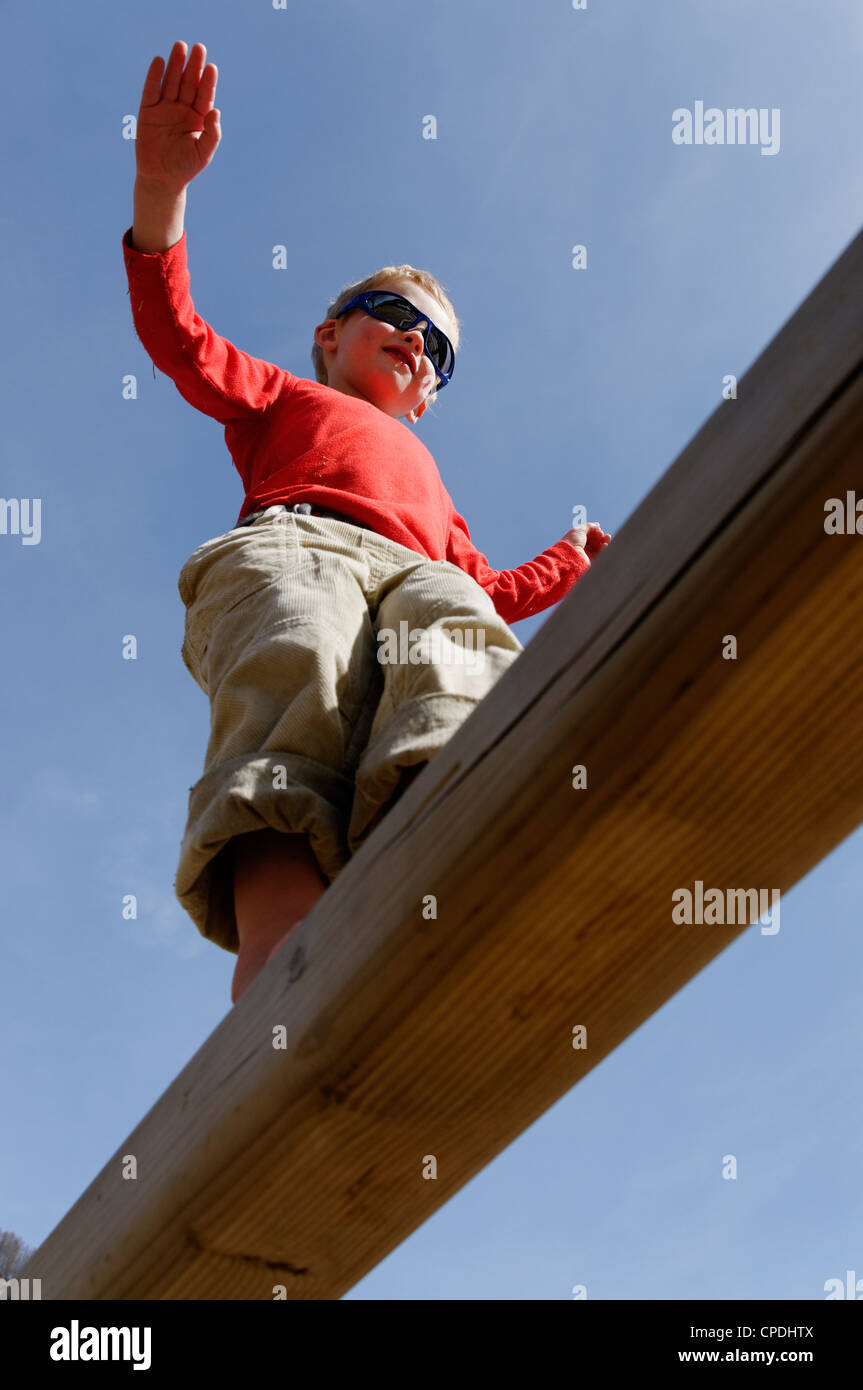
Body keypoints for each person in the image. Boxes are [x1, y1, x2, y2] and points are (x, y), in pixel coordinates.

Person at [123, 40, 612, 1003]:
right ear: (328, 334)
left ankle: (449, 852)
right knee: (296, 668)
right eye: (393, 312)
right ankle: (283, 958)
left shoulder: (429, 475)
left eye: (437, 347)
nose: (416, 342)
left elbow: (489, 590)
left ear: (430, 395)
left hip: (409, 570)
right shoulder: (285, 398)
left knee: (453, 620)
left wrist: (570, 563)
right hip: (297, 545)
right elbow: (178, 341)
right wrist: (159, 193)